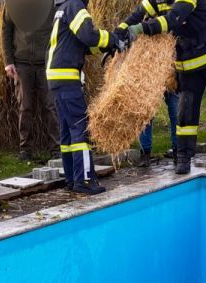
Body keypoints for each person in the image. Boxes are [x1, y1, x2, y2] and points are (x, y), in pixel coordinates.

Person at [125, 0, 206, 174]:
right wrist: (118, 34)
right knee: (186, 114)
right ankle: (183, 159)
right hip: (188, 64)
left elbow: (172, 19)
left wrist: (141, 28)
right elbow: (136, 15)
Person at [47, 0, 126, 194]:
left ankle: (73, 180)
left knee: (68, 132)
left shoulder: (65, 8)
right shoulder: (74, 5)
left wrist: (107, 45)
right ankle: (85, 180)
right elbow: (88, 35)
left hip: (57, 78)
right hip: (66, 77)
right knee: (80, 128)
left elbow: (83, 44)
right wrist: (114, 40)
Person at [3, 0, 59, 163]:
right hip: (22, 63)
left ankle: (56, 149)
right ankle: (25, 150)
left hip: (47, 62)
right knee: (25, 107)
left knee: (51, 106)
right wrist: (8, 61)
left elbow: (61, 26)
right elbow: (6, 29)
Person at [137, 91, 179, 164]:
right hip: (151, 83)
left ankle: (178, 151)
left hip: (171, 82)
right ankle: (145, 153)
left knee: (176, 115)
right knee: (146, 115)